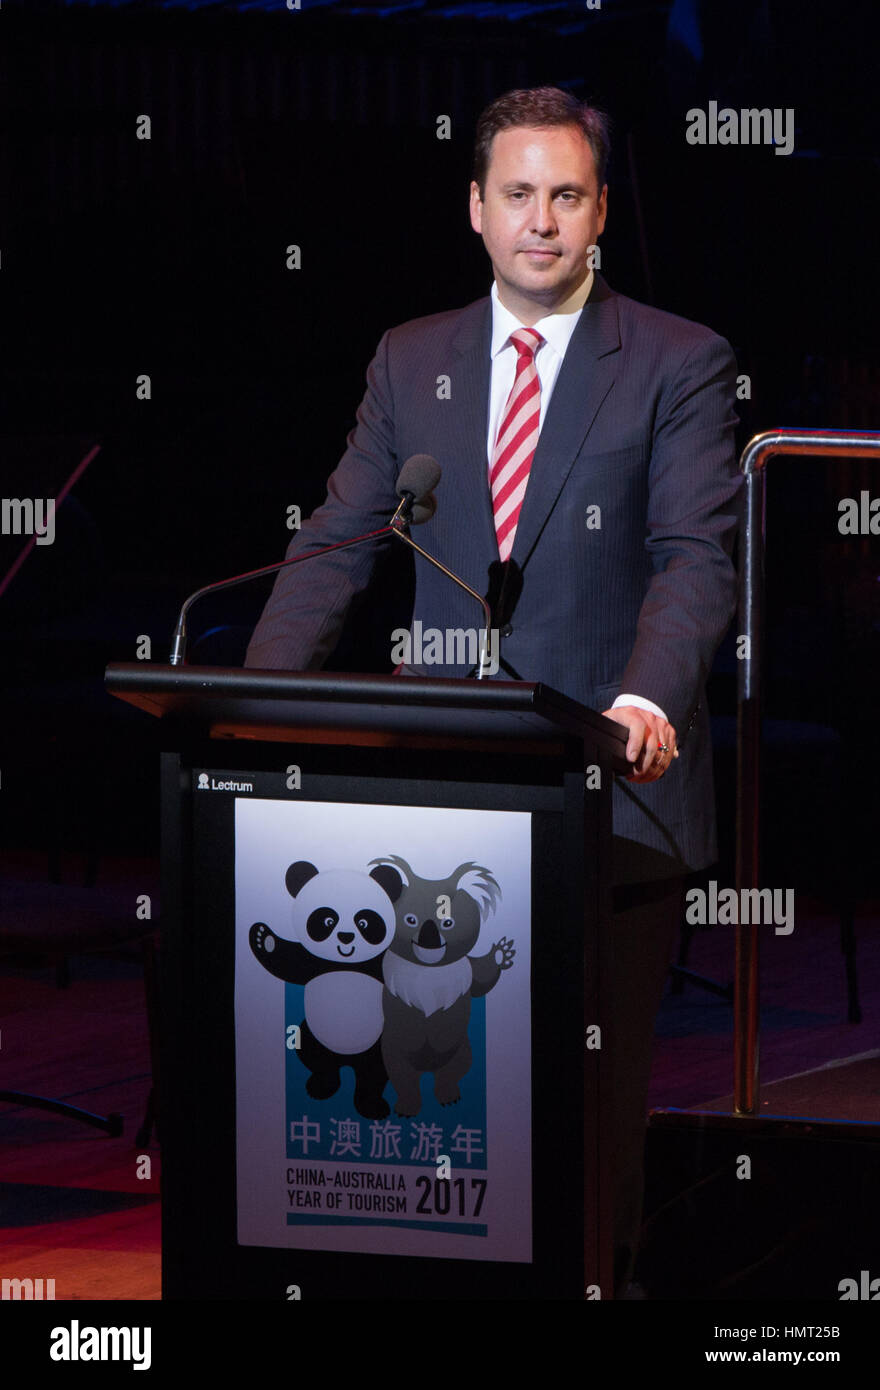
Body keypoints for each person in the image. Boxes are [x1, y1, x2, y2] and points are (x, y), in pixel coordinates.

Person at [245, 86, 743, 1297]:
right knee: (440, 1119)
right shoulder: (410, 359)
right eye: (515, 194)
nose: (540, 221)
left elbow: (694, 556)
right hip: (441, 806)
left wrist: (643, 703)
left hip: (610, 796)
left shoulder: (677, 359)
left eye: (564, 195)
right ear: (474, 209)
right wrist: (250, 705)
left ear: (600, 211)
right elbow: (333, 545)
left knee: (579, 1123)